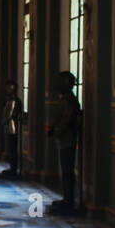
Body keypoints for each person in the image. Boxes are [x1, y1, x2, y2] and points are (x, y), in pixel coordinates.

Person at [46, 71, 80, 213]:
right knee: (65, 170)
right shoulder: (64, 99)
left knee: (67, 171)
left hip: (68, 139)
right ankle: (66, 198)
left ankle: (69, 201)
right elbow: (59, 117)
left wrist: (56, 131)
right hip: (64, 139)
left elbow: (66, 120)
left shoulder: (70, 101)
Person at [0, 80, 22, 179]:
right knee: (10, 148)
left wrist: (5, 120)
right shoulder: (8, 99)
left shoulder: (15, 100)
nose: (7, 89)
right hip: (8, 125)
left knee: (13, 149)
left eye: (9, 87)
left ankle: (13, 169)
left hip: (13, 126)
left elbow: (13, 114)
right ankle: (12, 168)